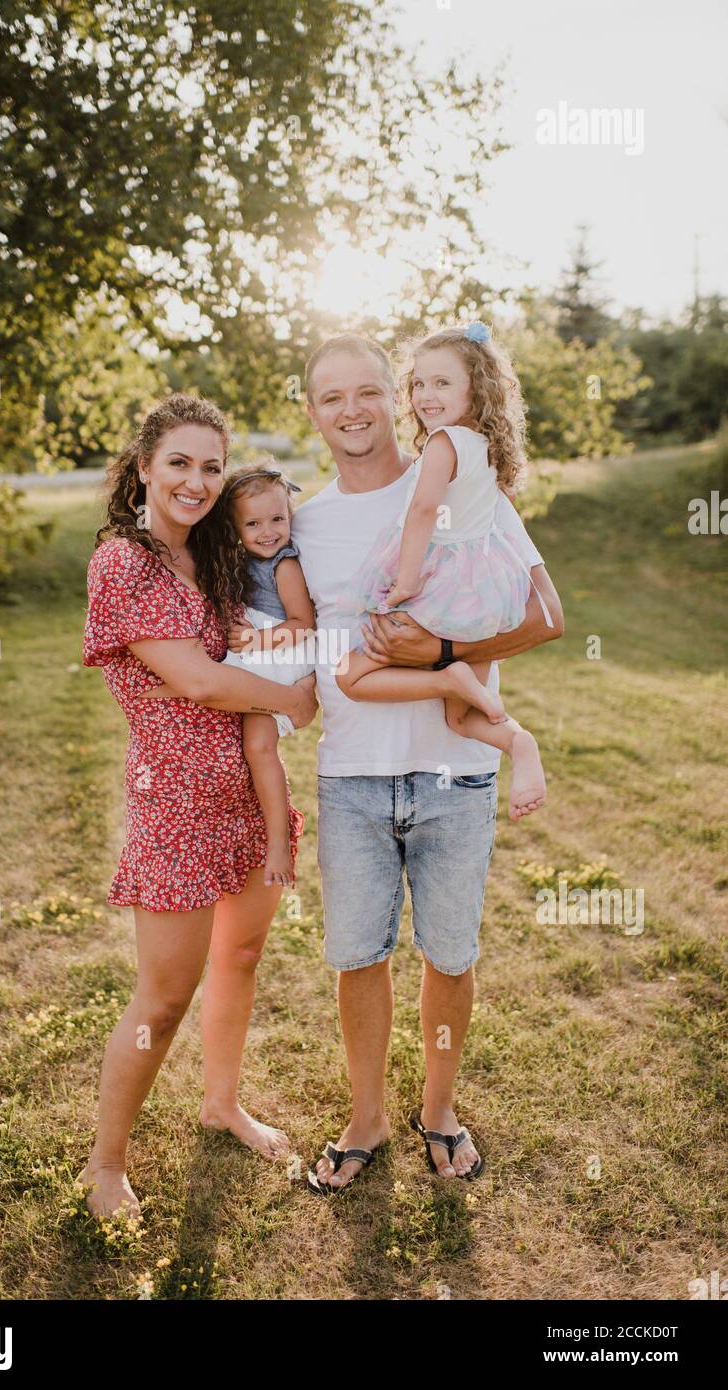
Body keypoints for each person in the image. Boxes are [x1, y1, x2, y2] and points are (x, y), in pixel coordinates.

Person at [290, 334, 564, 1192]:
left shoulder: (455, 479)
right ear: (311, 410)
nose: (351, 410)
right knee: (356, 956)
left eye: (367, 391)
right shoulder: (304, 523)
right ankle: (365, 1115)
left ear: (395, 397)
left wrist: (443, 645)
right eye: (330, 397)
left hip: (454, 772)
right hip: (351, 773)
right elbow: (290, 641)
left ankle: (438, 1111)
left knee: (449, 956)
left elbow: (545, 614)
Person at [80, 394, 317, 1220]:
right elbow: (197, 679)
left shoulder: (214, 559)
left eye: (211, 465)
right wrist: (292, 698)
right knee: (163, 996)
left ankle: (221, 1103)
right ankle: (105, 1164)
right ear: (143, 466)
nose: (196, 479)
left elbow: (259, 621)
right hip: (176, 804)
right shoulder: (123, 564)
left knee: (240, 961)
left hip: (248, 796)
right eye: (178, 462)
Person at [334, 322, 549, 822]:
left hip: (438, 588)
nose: (426, 395)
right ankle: (519, 742)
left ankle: (449, 677)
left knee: (350, 673)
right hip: (483, 596)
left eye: (442, 383)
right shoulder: (485, 447)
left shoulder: (442, 443)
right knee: (462, 717)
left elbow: (424, 512)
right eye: (419, 383)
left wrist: (407, 580)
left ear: (476, 386)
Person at [218, 463, 317, 888]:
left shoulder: (284, 565)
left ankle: (279, 840)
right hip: (256, 648)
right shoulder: (237, 559)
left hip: (280, 651)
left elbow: (303, 624)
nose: (268, 532)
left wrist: (258, 641)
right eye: (253, 523)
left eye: (278, 519)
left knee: (259, 745)